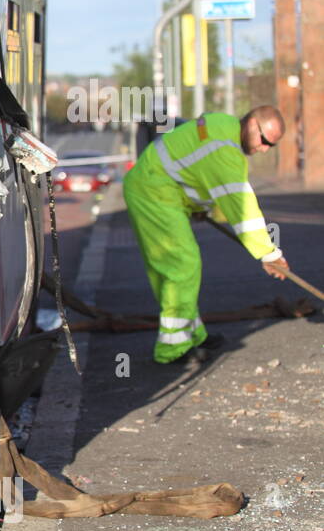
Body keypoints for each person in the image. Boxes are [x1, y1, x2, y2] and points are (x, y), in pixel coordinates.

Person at [122, 106, 290, 364]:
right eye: (264, 140)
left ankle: (191, 334)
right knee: (182, 265)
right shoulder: (226, 149)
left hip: (158, 188)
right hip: (154, 192)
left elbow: (203, 174)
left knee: (171, 271)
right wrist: (269, 254)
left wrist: (202, 209)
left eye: (272, 146)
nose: (265, 148)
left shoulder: (224, 125)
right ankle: (173, 348)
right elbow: (242, 208)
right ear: (253, 123)